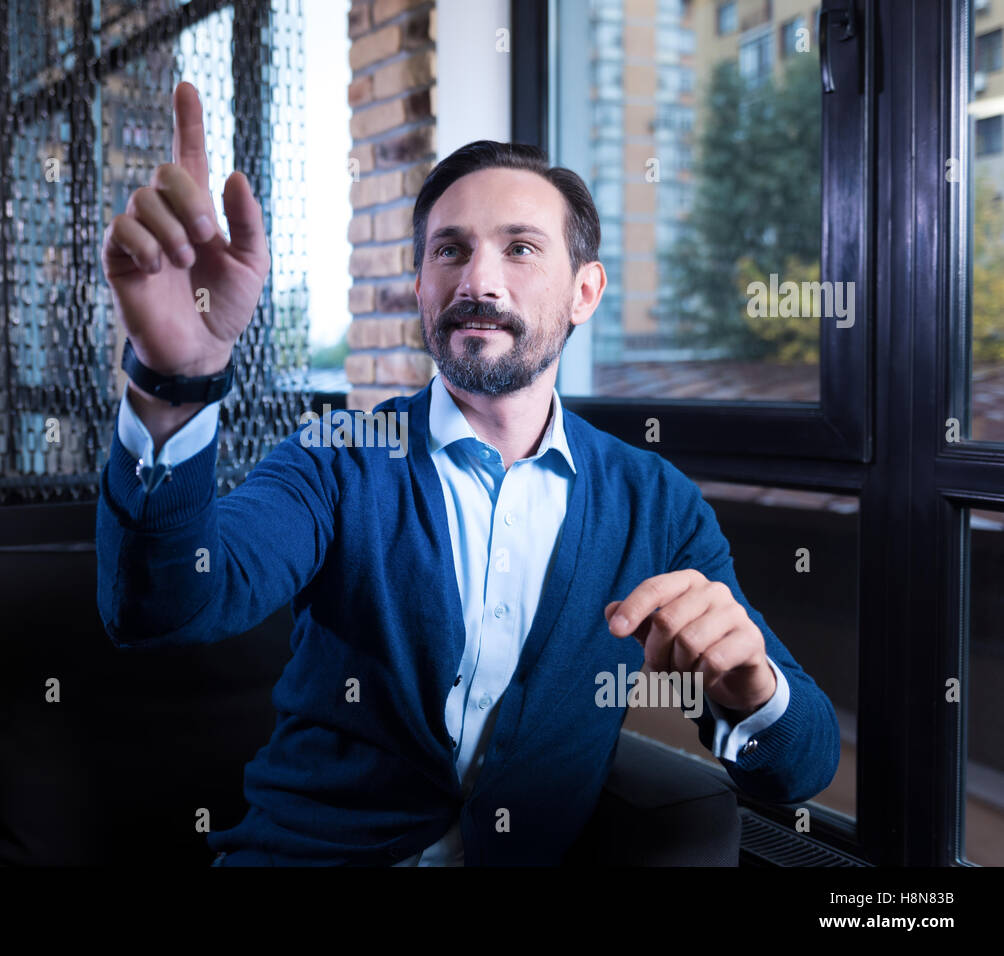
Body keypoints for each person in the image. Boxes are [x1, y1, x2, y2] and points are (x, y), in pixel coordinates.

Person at [95, 81, 840, 866]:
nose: (477, 281)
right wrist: (174, 382)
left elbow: (800, 766)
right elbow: (163, 611)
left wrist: (750, 687)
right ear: (420, 286)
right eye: (450, 250)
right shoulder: (338, 455)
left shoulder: (655, 504)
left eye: (520, 248)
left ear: (584, 293)